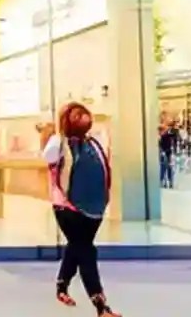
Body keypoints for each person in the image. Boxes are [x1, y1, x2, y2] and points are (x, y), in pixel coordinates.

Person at [43, 102, 119, 316]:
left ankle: (61, 286)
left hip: (95, 207)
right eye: (76, 116)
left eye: (84, 114)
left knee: (77, 246)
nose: (82, 118)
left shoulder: (93, 143)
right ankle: (101, 306)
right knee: (86, 251)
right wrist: (55, 136)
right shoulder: (59, 143)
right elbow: (48, 156)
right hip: (67, 207)